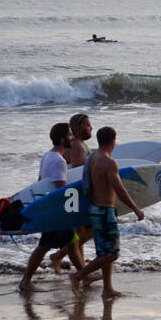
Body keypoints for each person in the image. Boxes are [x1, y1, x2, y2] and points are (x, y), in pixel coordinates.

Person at [69, 126, 144, 299]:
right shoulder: (109, 162)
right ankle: (77, 276)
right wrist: (136, 209)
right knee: (111, 254)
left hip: (95, 210)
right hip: (104, 212)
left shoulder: (93, 158)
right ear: (113, 141)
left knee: (103, 253)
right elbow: (119, 189)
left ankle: (107, 288)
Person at [17, 123, 85, 294]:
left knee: (72, 241)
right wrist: (75, 213)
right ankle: (25, 281)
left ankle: (84, 274)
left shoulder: (48, 155)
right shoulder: (58, 161)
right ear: (63, 139)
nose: (73, 137)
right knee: (44, 246)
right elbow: (63, 191)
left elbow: (39, 182)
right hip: (56, 212)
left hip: (50, 209)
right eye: (70, 134)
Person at [48, 113, 93, 273]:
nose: (91, 128)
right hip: (73, 195)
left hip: (68, 196)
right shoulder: (77, 146)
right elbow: (78, 174)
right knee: (92, 228)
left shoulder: (77, 144)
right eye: (88, 125)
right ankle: (59, 256)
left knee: (78, 232)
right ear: (80, 128)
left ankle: (81, 268)